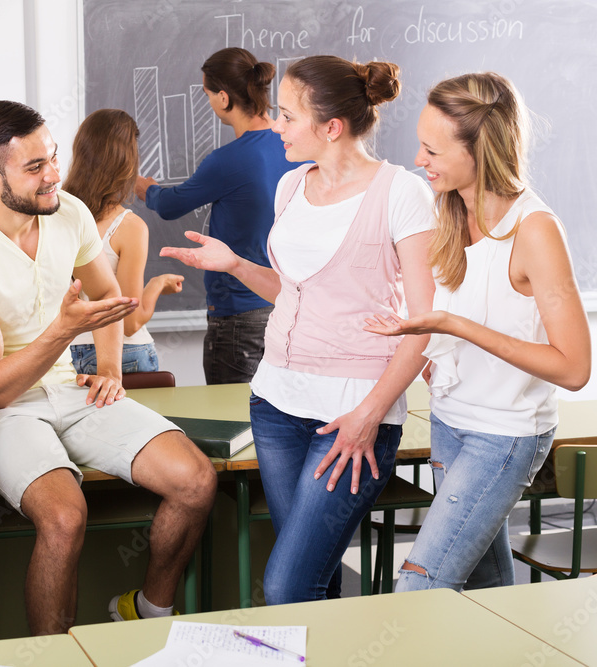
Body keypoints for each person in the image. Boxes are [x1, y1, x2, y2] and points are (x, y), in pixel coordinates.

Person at [0, 100, 217, 635]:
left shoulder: (70, 212)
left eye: (52, 158)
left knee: (195, 480)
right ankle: (54, 654)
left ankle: (150, 608)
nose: (54, 175)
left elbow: (108, 298)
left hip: (70, 389)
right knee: (64, 516)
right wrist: (61, 331)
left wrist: (110, 366)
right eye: (35, 167)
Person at [162, 56, 437, 605]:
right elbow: (292, 290)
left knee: (287, 583)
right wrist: (236, 265)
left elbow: (424, 327)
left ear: (331, 127)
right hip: (275, 401)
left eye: (288, 117)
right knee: (314, 573)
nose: (277, 127)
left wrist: (369, 416)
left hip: (353, 410)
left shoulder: (401, 194)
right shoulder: (290, 185)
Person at [363, 72, 591, 592]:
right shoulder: (445, 213)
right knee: (487, 586)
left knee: (418, 589)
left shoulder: (533, 230)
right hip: (449, 423)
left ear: (479, 149)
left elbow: (575, 368)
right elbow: (437, 320)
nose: (419, 161)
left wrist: (455, 327)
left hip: (505, 434)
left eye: (432, 150)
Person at [134, 47, 301, 384]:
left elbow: (170, 205)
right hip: (289, 305)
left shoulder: (229, 160)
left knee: (234, 421)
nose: (209, 102)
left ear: (224, 98)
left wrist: (145, 189)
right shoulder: (294, 145)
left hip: (239, 316)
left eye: (209, 94)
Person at [62, 109, 184, 376]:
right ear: (127, 161)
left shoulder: (54, 215)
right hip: (123, 355)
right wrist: (155, 285)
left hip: (62, 355)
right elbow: (128, 323)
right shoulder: (129, 227)